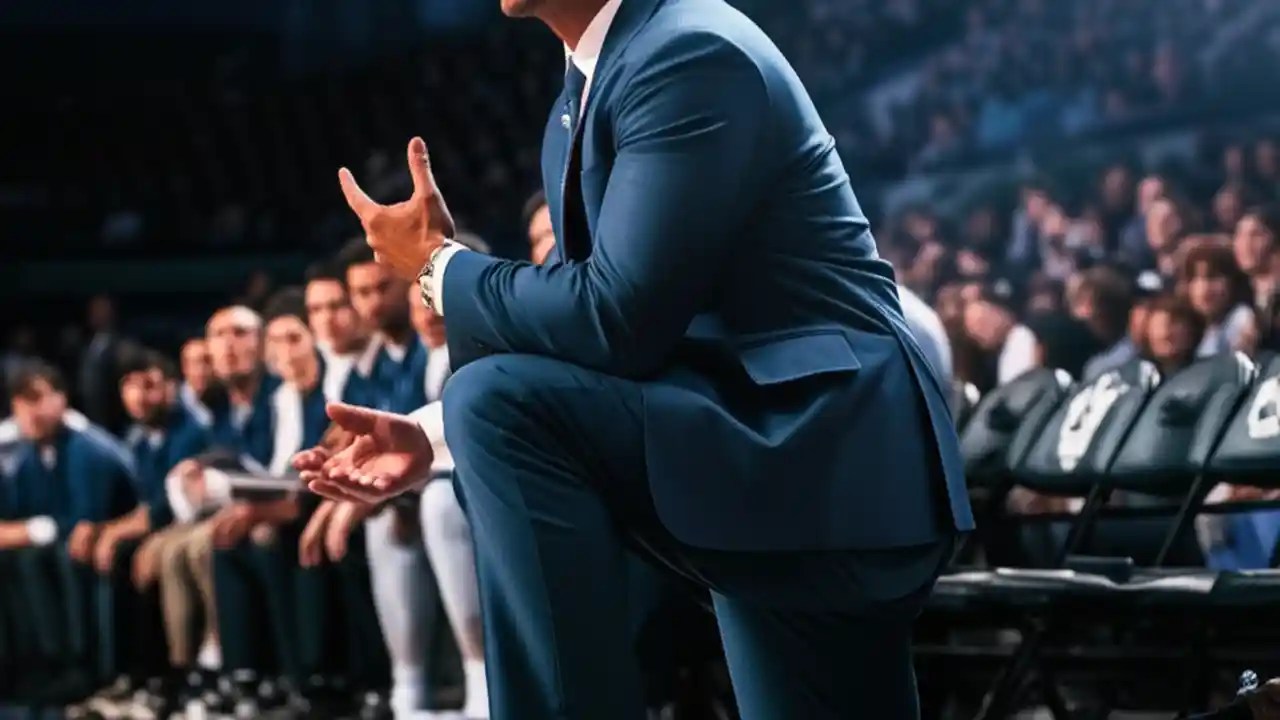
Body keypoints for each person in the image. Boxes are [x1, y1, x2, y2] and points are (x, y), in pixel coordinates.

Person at [301, 0, 971, 717]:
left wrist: (437, 269)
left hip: (823, 445)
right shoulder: (595, 84)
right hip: (767, 439)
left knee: (496, 401)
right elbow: (583, 325)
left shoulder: (688, 52)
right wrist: (434, 437)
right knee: (484, 406)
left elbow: (612, 319)